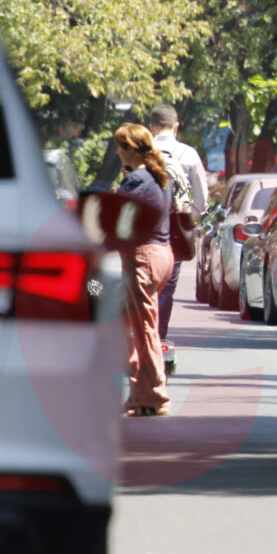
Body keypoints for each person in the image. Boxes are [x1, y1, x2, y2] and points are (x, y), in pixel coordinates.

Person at [113, 123, 176, 417]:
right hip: (161, 256)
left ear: (129, 149)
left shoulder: (136, 180)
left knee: (143, 329)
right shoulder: (159, 177)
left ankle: (156, 396)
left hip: (141, 258)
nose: (116, 151)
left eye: (119, 146)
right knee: (132, 326)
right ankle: (140, 395)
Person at [148, 104, 209, 342]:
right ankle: (159, 337)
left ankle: (143, 334)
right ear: (177, 127)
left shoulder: (140, 151)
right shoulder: (188, 154)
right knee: (168, 284)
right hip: (176, 224)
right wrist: (191, 213)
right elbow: (202, 196)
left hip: (146, 223)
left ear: (151, 127)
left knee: (145, 282)